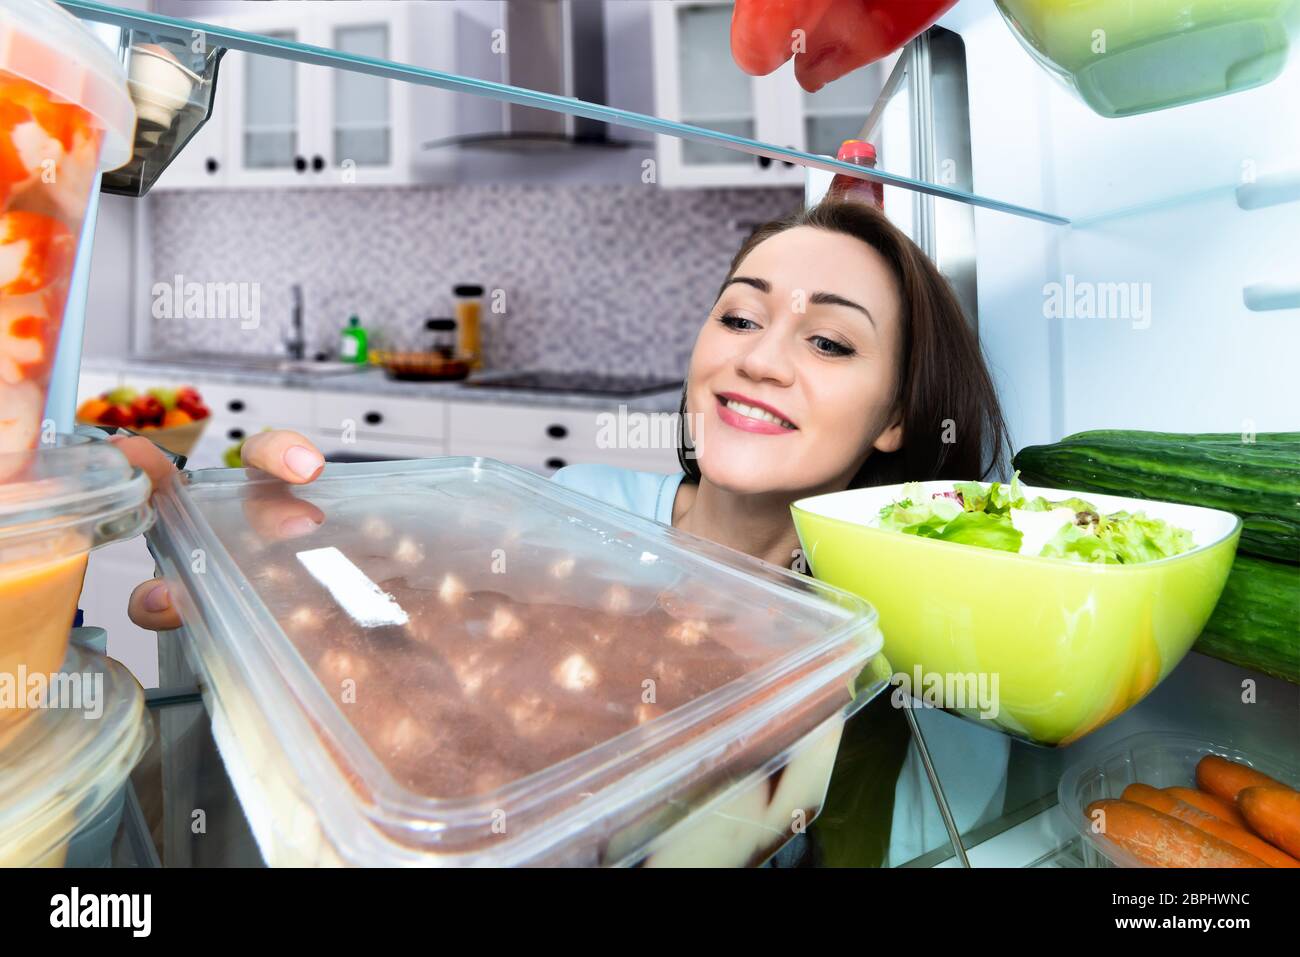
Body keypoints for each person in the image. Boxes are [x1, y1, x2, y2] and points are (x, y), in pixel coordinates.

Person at [119, 198, 1013, 865]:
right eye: (739, 316)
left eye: (828, 342)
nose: (759, 357)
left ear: (897, 414)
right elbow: (406, 647)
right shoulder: (576, 512)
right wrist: (271, 557)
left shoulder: (895, 644)